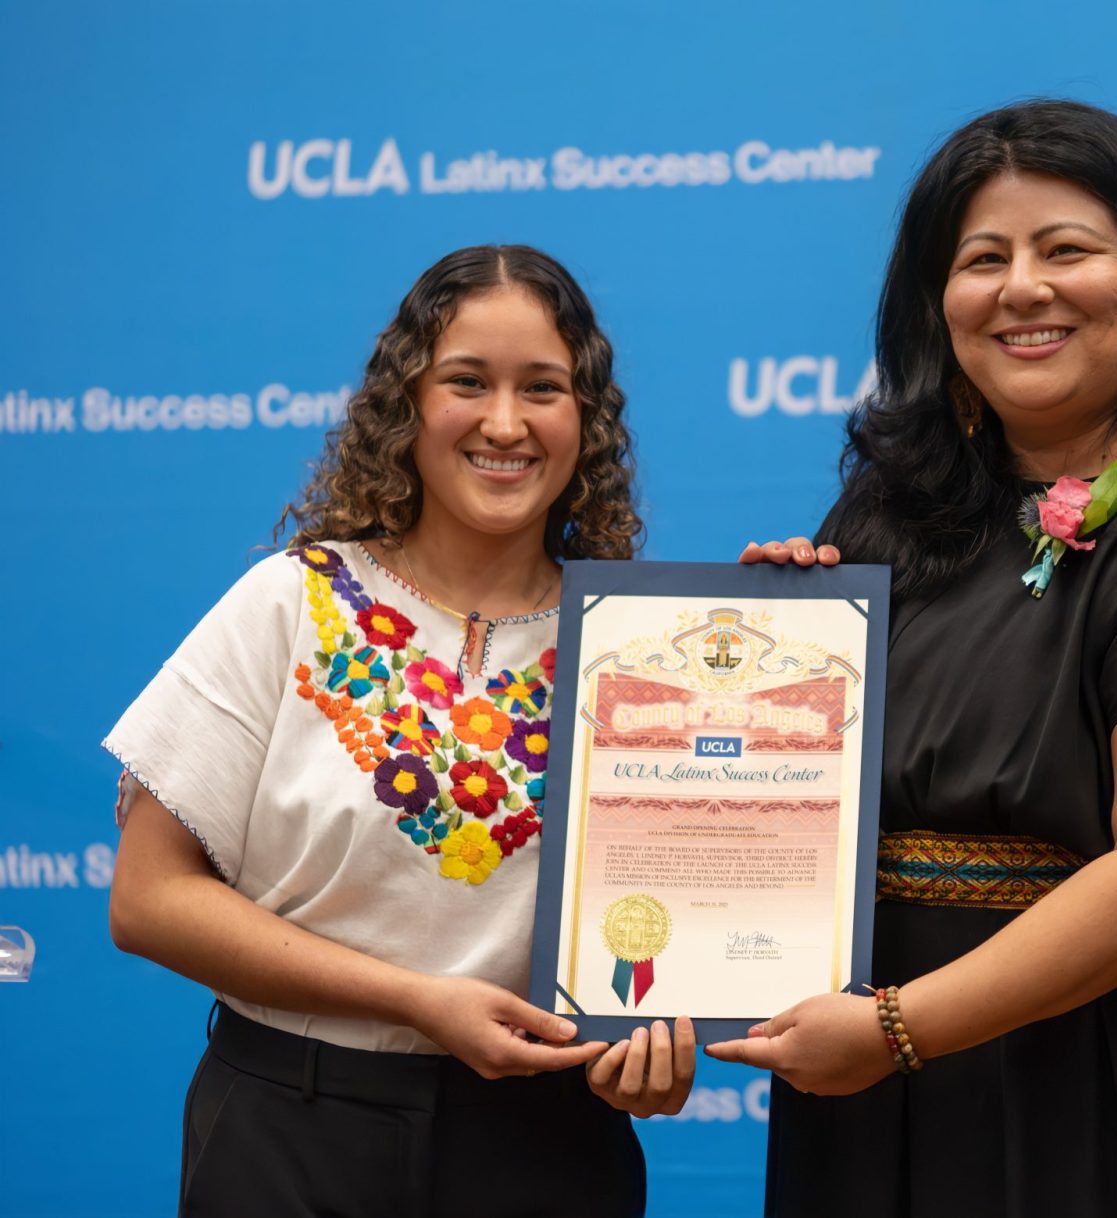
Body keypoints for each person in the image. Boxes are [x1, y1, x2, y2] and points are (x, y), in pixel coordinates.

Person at [710, 100, 1117, 1217]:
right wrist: (768, 664)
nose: (1020, 288)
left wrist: (899, 1030)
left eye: (1067, 250)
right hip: (875, 1086)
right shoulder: (891, 513)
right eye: (981, 258)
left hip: (1107, 1078)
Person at [104, 245, 693, 1218]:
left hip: (545, 1148)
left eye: (542, 388)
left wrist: (781, 617)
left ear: (584, 421)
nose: (504, 424)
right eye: (467, 382)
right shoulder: (290, 602)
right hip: (288, 1132)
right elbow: (148, 899)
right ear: (405, 405)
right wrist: (419, 999)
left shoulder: (639, 646)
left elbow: (678, 930)